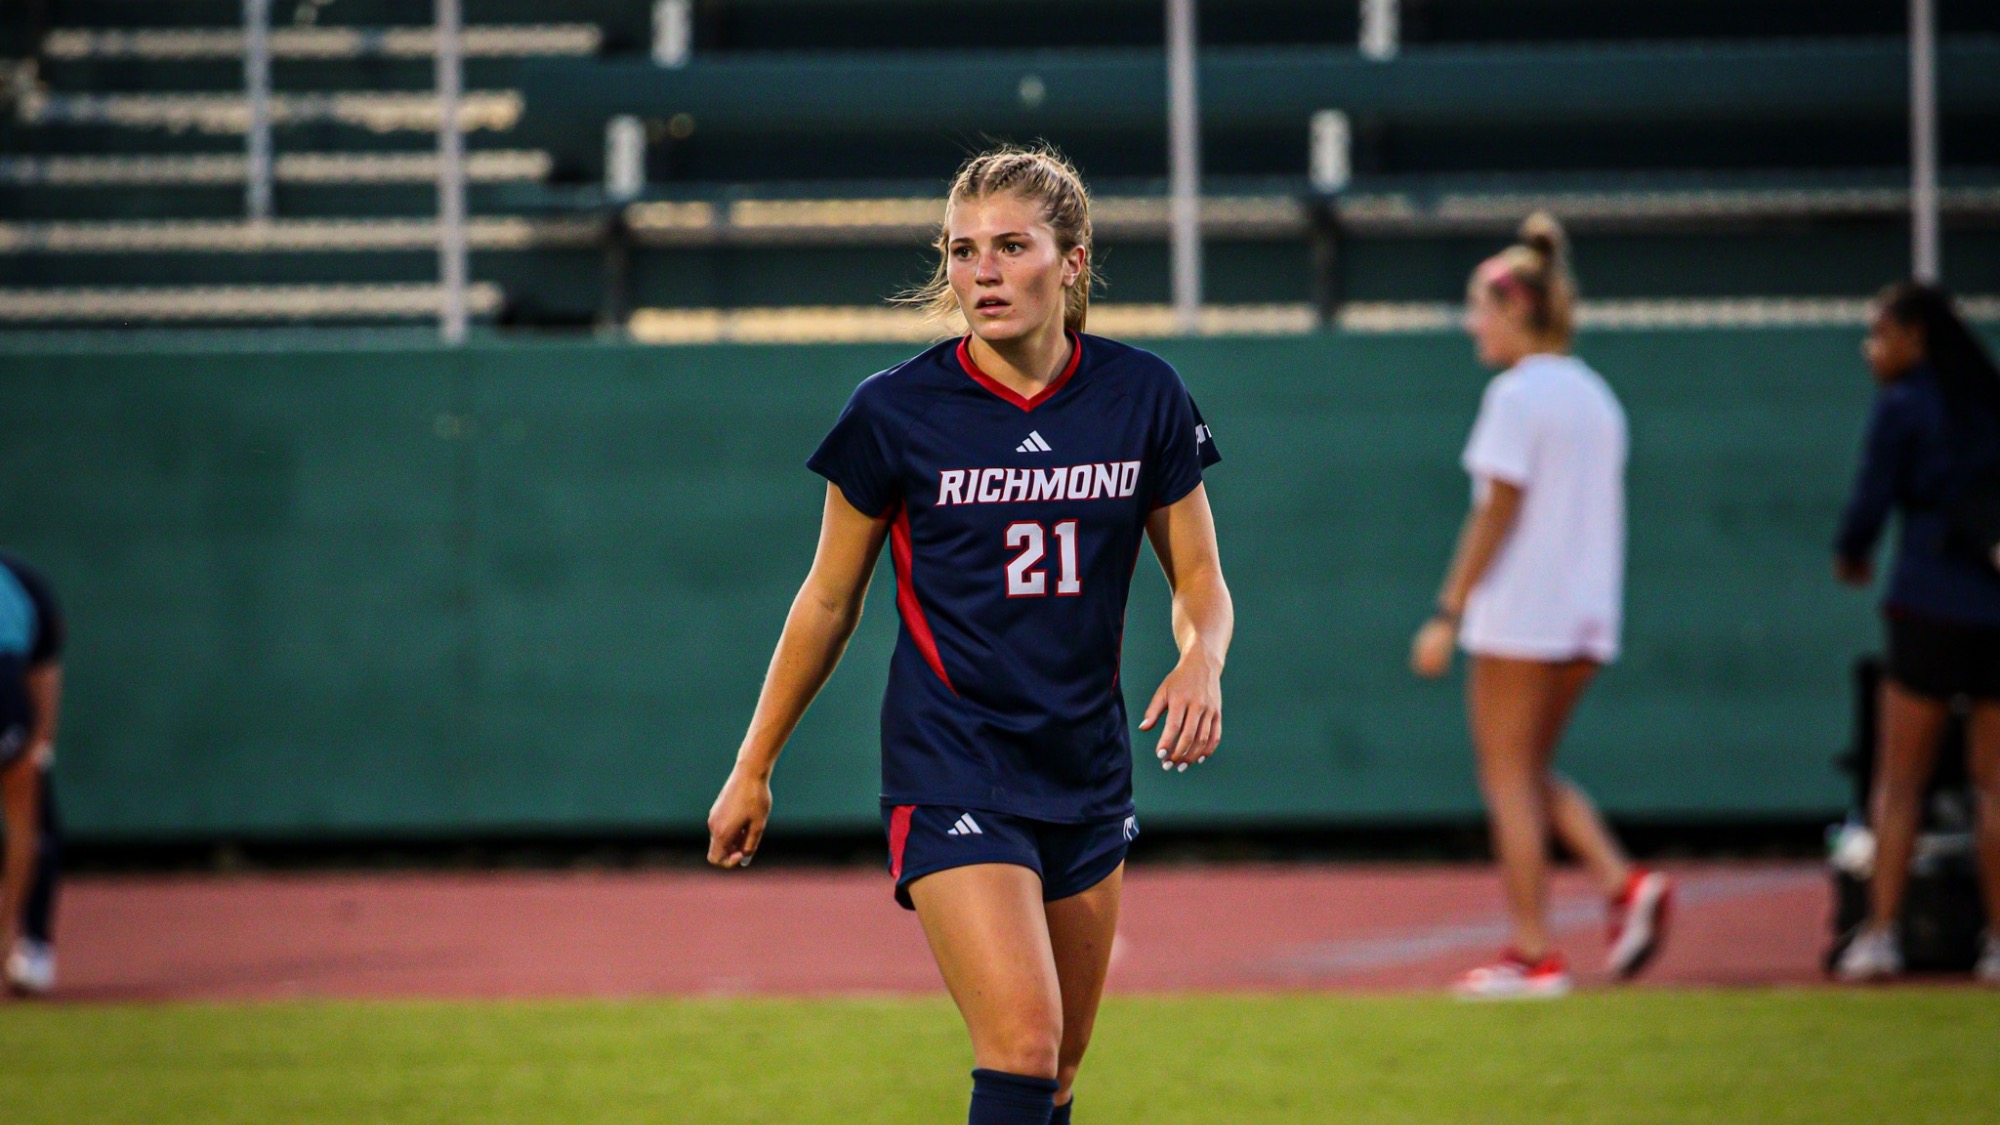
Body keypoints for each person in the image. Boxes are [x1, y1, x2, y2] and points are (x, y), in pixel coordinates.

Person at [704, 146, 1231, 1123]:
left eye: (1010, 246)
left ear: (1071, 262)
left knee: (1059, 1074)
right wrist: (753, 763)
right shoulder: (895, 409)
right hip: (951, 762)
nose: (981, 271)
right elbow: (826, 599)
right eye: (961, 249)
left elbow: (1198, 577)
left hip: (1083, 767)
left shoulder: (1142, 395)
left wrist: (1202, 653)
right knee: (1022, 1046)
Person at [1410, 213, 1671, 999]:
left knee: (1507, 778)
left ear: (1518, 308)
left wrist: (1447, 610)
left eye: (1481, 309)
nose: (1472, 325)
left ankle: (1533, 954)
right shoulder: (1596, 395)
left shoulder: (1516, 395)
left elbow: (1497, 510)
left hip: (1523, 614)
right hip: (1588, 615)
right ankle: (1623, 883)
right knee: (1529, 770)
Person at [1832, 281, 2000, 984]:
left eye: (1879, 334)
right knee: (1995, 785)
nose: (1871, 349)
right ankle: (1997, 942)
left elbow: (1871, 494)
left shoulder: (1903, 406)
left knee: (1900, 781)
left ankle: (1879, 933)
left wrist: (1852, 550)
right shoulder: (1988, 402)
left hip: (1927, 605)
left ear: (1913, 338)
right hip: (1995, 611)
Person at [0, 552, 64, 998]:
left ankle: (30, 945)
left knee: (33, 827)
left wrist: (40, 744)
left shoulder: (24, 584)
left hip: (9, 708)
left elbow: (45, 674)